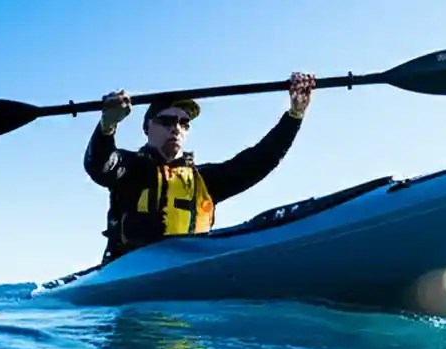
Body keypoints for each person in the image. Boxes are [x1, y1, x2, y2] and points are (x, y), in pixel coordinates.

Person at [83, 72, 317, 263]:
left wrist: (295, 115)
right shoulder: (129, 167)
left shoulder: (205, 180)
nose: (176, 128)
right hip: (130, 276)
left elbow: (259, 160)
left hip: (188, 272)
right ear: (147, 127)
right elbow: (100, 165)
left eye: (183, 123)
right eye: (166, 121)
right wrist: (108, 125)